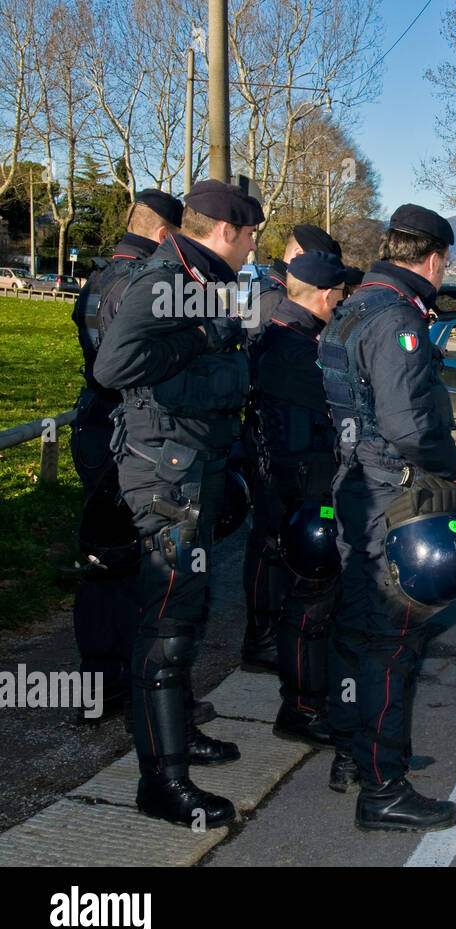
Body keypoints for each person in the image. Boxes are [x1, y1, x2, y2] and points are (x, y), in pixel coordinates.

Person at [94, 179, 263, 826]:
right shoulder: (166, 277)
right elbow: (113, 367)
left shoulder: (201, 277)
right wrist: (201, 336)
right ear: (226, 230)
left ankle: (178, 732)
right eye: (251, 237)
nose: (253, 249)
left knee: (186, 613)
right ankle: (162, 783)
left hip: (194, 468)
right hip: (165, 476)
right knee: (163, 626)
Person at [317, 203, 456, 830]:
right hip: (391, 495)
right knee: (392, 642)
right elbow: (408, 423)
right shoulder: (399, 317)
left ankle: (355, 754)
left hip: (353, 489)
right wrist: (447, 467)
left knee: (354, 628)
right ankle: (384, 787)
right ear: (434, 258)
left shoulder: (351, 307)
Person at [69, 188, 183, 721]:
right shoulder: (143, 283)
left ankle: (98, 687)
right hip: (128, 433)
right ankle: (139, 692)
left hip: (93, 424)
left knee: (100, 560)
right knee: (143, 563)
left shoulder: (97, 277)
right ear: (165, 234)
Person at [246, 250, 348, 747]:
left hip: (283, 481)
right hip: (304, 486)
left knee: (304, 596)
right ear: (328, 296)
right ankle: (303, 708)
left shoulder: (278, 329)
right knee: (311, 600)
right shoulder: (300, 346)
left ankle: (307, 701)